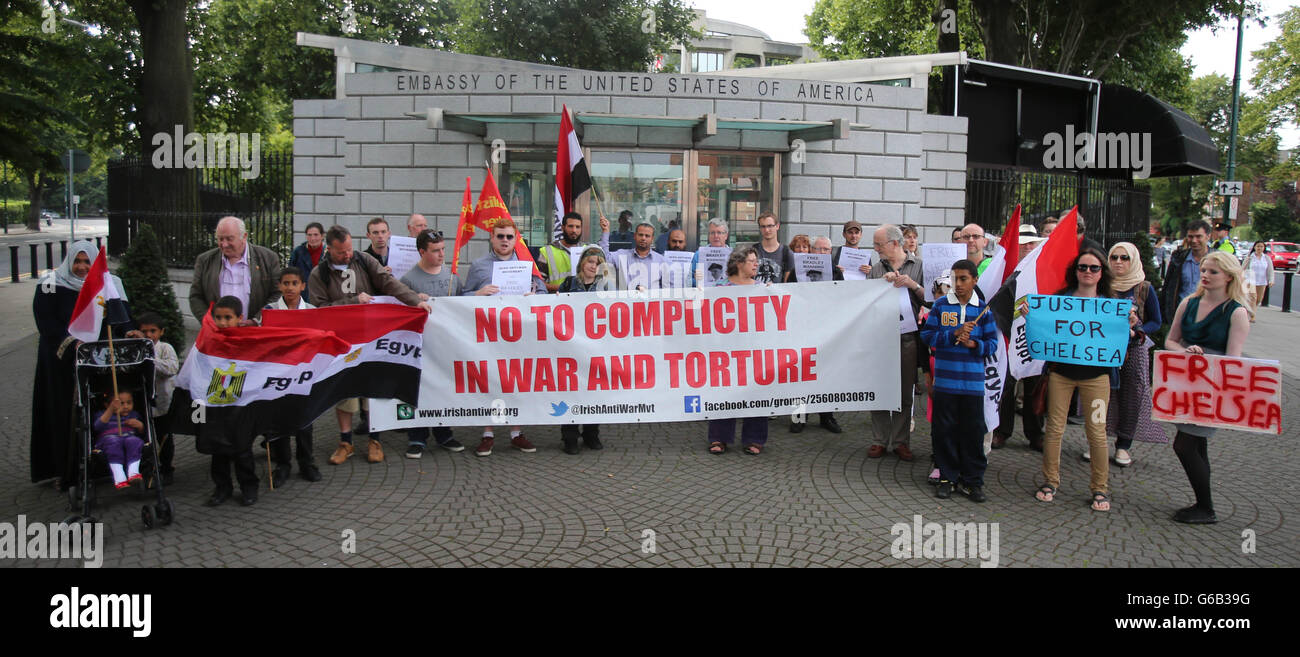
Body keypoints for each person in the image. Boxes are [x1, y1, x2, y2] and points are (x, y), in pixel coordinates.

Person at [310, 225, 431, 466]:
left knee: (371, 389)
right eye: (341, 252)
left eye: (348, 249)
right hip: (341, 342)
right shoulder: (318, 274)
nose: (347, 255)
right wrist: (353, 301)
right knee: (345, 392)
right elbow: (319, 310)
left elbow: (388, 283)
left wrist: (414, 301)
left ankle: (374, 440)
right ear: (329, 249)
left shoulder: (363, 260)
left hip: (371, 338)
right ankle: (345, 441)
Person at [31, 241, 140, 487]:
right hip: (60, 360)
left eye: (87, 262)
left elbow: (122, 318)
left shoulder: (110, 283)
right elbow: (45, 321)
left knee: (99, 409)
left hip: (97, 360)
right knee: (63, 413)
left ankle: (102, 465)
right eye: (77, 261)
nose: (81, 267)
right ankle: (64, 470)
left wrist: (131, 331)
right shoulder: (50, 281)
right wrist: (72, 343)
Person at [1163, 251, 1251, 524]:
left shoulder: (1236, 313)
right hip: (1185, 383)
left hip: (1212, 386)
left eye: (1213, 271)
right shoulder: (1189, 303)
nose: (1205, 275)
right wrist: (1185, 351)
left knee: (1185, 445)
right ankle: (1204, 504)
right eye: (1204, 270)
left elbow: (1232, 359)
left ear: (1229, 276)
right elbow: (1170, 341)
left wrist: (1207, 362)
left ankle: (1206, 507)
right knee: (1195, 445)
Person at [1033, 248, 1115, 512]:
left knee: (1097, 432)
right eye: (1083, 267)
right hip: (1062, 374)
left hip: (1097, 377)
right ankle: (1050, 481)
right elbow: (1045, 327)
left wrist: (1130, 322)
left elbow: (1120, 335)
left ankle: (1100, 488)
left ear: (1102, 272)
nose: (1088, 272)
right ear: (1075, 271)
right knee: (1055, 429)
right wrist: (1031, 314)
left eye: (1094, 268)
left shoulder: (1110, 303)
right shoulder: (1061, 299)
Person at [462, 218, 545, 456]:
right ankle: (487, 434)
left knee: (515, 381)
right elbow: (462, 295)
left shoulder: (527, 264)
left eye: (509, 236)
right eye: (500, 236)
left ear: (515, 238)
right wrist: (477, 293)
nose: (505, 241)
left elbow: (540, 289)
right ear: (492, 238)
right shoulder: (479, 265)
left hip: (518, 334)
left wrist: (534, 293)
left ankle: (515, 432)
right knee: (490, 382)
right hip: (489, 334)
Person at [920, 259, 997, 502]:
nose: (958, 284)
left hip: (972, 385)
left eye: (964, 279)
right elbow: (928, 336)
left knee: (973, 432)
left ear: (975, 280)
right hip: (945, 383)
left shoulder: (983, 310)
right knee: (944, 431)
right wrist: (952, 333)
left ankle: (972, 480)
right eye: (954, 279)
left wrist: (975, 343)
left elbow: (992, 344)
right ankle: (947, 476)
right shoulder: (942, 306)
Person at [398, 231, 466, 457]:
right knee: (419, 389)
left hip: (444, 345)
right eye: (435, 251)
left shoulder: (452, 276)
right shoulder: (408, 280)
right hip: (420, 346)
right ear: (422, 252)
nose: (441, 254)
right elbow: (400, 314)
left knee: (443, 387)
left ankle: (444, 433)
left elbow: (462, 305)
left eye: (443, 249)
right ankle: (417, 437)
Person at [1099, 242, 1165, 467]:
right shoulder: (1102, 284)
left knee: (1131, 396)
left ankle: (1124, 444)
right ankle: (1097, 441)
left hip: (1133, 349)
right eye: (1114, 257)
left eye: (1124, 258)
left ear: (1134, 260)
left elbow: (1157, 320)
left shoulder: (1143, 287)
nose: (1118, 262)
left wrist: (1139, 331)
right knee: (1099, 394)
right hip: (1103, 349)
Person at [865, 224, 925, 461]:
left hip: (908, 338)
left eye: (879, 244)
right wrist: (881, 283)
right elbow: (866, 301)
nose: (876, 248)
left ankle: (901, 441)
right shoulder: (876, 268)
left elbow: (933, 298)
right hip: (880, 337)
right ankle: (879, 439)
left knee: (904, 391)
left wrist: (913, 285)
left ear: (895, 244)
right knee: (879, 389)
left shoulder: (919, 266)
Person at [260, 267, 323, 482]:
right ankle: (282, 464)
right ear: (279, 286)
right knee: (279, 419)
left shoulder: (312, 311)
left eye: (294, 283)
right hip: (278, 373)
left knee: (304, 420)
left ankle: (307, 462)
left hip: (303, 374)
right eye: (285, 283)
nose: (290, 288)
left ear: (303, 286)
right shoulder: (270, 311)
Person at [707, 247, 770, 455]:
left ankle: (754, 438)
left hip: (754, 349)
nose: (756, 264)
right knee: (724, 391)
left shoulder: (762, 288)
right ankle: (719, 438)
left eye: (756, 261)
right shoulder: (719, 287)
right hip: (726, 350)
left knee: (756, 391)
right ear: (739, 263)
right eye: (752, 261)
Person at [555, 247, 616, 454]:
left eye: (599, 263)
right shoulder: (569, 283)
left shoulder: (608, 286)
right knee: (571, 390)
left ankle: (591, 433)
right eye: (590, 261)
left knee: (593, 391)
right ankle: (569, 436)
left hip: (596, 347)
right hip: (571, 346)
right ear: (582, 262)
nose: (594, 266)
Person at [992, 226, 1047, 450]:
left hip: (1035, 336)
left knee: (1034, 387)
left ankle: (1035, 433)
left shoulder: (1043, 270)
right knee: (1006, 386)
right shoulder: (1005, 270)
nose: (1027, 247)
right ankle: (1002, 431)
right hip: (1008, 335)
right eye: (1023, 243)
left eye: (1031, 243)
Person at [206, 296, 260, 506]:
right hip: (217, 402)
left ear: (240, 318)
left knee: (242, 449)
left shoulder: (247, 340)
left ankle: (249, 487)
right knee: (218, 449)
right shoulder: (208, 340)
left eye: (228, 317)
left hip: (241, 403)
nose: (223, 322)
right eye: (218, 318)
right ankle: (222, 487)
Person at [789, 237, 843, 434]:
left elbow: (844, 298)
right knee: (801, 373)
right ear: (811, 251)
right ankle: (799, 416)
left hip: (827, 330)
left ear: (831, 252)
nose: (821, 253)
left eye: (826, 249)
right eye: (818, 249)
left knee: (826, 372)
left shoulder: (836, 272)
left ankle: (826, 416)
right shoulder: (797, 270)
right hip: (803, 329)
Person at [189, 216, 281, 325]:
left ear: (244, 236)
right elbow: (196, 296)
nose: (224, 244)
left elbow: (277, 294)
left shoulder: (268, 258)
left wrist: (256, 321)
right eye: (220, 239)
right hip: (218, 333)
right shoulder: (205, 260)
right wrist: (211, 322)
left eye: (229, 239)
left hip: (255, 333)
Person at [136, 312, 179, 488]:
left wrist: (150, 358)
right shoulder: (135, 349)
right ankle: (146, 470)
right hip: (142, 404)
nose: (148, 335)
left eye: (152, 331)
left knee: (164, 439)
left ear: (161, 332)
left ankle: (167, 468)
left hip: (163, 404)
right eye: (144, 331)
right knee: (143, 439)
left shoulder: (165, 348)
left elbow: (172, 368)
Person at [537, 211, 611, 292]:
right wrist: (565, 288)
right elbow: (539, 283)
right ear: (563, 228)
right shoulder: (547, 251)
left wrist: (605, 231)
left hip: (583, 300)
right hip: (557, 301)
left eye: (577, 227)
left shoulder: (587, 250)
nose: (574, 230)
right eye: (570, 226)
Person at [1161, 219, 1212, 322]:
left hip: (1208, 315)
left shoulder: (1217, 260)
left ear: (1208, 236)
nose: (1194, 240)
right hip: (1181, 314)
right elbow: (1168, 288)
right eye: (1190, 236)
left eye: (1198, 236)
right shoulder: (1178, 258)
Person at [94, 391, 146, 490]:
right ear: (107, 405)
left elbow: (142, 433)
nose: (126, 406)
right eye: (121, 403)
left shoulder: (134, 414)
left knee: (135, 441)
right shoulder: (102, 414)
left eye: (129, 403)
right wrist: (110, 410)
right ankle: (119, 475)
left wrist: (140, 426)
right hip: (108, 439)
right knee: (113, 441)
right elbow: (97, 427)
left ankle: (133, 472)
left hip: (128, 438)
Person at [611, 222, 667, 290]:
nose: (643, 238)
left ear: (652, 239)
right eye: (640, 235)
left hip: (651, 300)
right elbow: (604, 257)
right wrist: (605, 232)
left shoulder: (661, 261)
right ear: (634, 236)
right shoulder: (621, 256)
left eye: (647, 236)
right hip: (626, 300)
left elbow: (667, 290)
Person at [754, 212, 794, 284]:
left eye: (770, 226)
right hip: (755, 293)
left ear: (777, 226)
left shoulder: (786, 252)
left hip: (777, 294)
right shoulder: (753, 251)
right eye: (763, 226)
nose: (766, 230)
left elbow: (787, 285)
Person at [690, 218, 731, 287]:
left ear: (726, 236)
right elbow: (689, 280)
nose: (716, 236)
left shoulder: (733, 255)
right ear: (708, 235)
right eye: (712, 233)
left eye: (719, 233)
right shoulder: (699, 255)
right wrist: (695, 280)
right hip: (705, 295)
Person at [289, 222, 326, 294]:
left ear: (322, 236)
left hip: (322, 293)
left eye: (316, 235)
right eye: (309, 235)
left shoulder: (328, 253)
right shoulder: (298, 252)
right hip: (303, 294)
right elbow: (291, 274)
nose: (312, 238)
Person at [1244, 241, 1274, 320]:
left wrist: (1271, 280)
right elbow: (1243, 268)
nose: (1259, 248)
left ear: (1264, 248)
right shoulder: (1250, 257)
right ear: (1254, 247)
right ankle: (1252, 316)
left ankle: (1248, 310)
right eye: (1258, 246)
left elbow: (1270, 270)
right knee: (1253, 298)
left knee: (1258, 299)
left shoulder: (1266, 258)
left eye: (1261, 247)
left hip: (1262, 281)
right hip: (1250, 280)